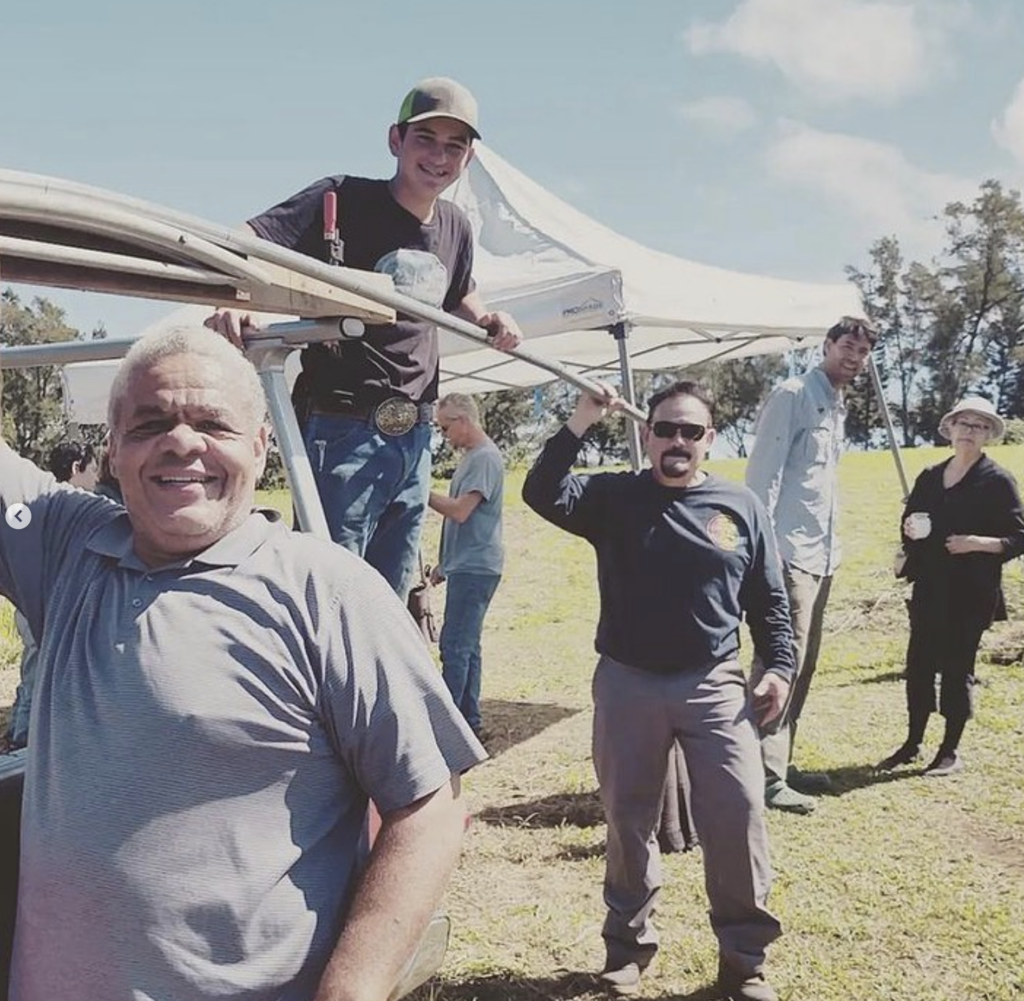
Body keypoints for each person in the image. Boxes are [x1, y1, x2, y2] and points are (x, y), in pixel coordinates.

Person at [0, 326, 487, 1001]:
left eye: (212, 422)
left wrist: (352, 989)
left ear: (260, 446)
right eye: (150, 422)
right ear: (111, 448)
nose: (181, 441)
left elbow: (429, 808)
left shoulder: (326, 592)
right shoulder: (67, 548)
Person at [523, 380, 796, 1001]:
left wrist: (778, 667)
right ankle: (627, 949)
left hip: (714, 683)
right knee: (627, 819)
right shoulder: (615, 496)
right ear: (646, 434)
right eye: (666, 429)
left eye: (690, 432)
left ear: (710, 440)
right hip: (628, 681)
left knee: (737, 813)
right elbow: (541, 492)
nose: (677, 441)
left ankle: (744, 961)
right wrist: (581, 419)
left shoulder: (741, 505)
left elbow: (770, 601)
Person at [207, 76, 521, 601]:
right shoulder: (342, 199)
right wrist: (229, 298)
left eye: (455, 146)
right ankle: (317, 683)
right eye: (426, 139)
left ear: (468, 158)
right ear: (395, 141)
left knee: (389, 598)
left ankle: (371, 684)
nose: (439, 156)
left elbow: (460, 291)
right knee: (330, 587)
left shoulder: (455, 227)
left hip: (417, 435)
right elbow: (245, 239)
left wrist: (490, 318)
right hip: (345, 426)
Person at [745, 314, 879, 814]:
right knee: (780, 661)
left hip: (821, 553)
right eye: (846, 345)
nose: (854, 357)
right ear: (827, 345)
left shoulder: (835, 402)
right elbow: (764, 476)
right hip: (787, 552)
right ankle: (758, 775)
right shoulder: (794, 394)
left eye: (863, 351)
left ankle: (779, 763)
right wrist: (764, 547)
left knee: (804, 663)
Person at [879, 397, 1024, 776]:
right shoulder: (930, 475)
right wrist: (910, 534)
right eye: (964, 423)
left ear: (988, 434)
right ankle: (912, 743)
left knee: (958, 669)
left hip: (972, 592)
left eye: (978, 426)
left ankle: (949, 751)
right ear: (950, 428)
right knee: (919, 665)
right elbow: (909, 523)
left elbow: (1018, 538)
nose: (969, 431)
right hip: (929, 587)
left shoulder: (997, 481)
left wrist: (975, 543)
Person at [4, 439, 101, 750]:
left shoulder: (40, 509)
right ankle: (24, 739)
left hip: (26, 608)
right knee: (36, 677)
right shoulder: (60, 512)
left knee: (32, 674)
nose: (97, 476)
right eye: (93, 467)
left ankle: (21, 735)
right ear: (77, 468)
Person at [427, 393, 504, 738]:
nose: (444, 436)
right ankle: (469, 724)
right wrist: (445, 564)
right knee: (467, 646)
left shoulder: (484, 458)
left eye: (445, 428)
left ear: (462, 421)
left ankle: (449, 731)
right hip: (468, 564)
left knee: (454, 646)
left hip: (476, 567)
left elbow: (460, 511)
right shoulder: (473, 458)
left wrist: (418, 493)